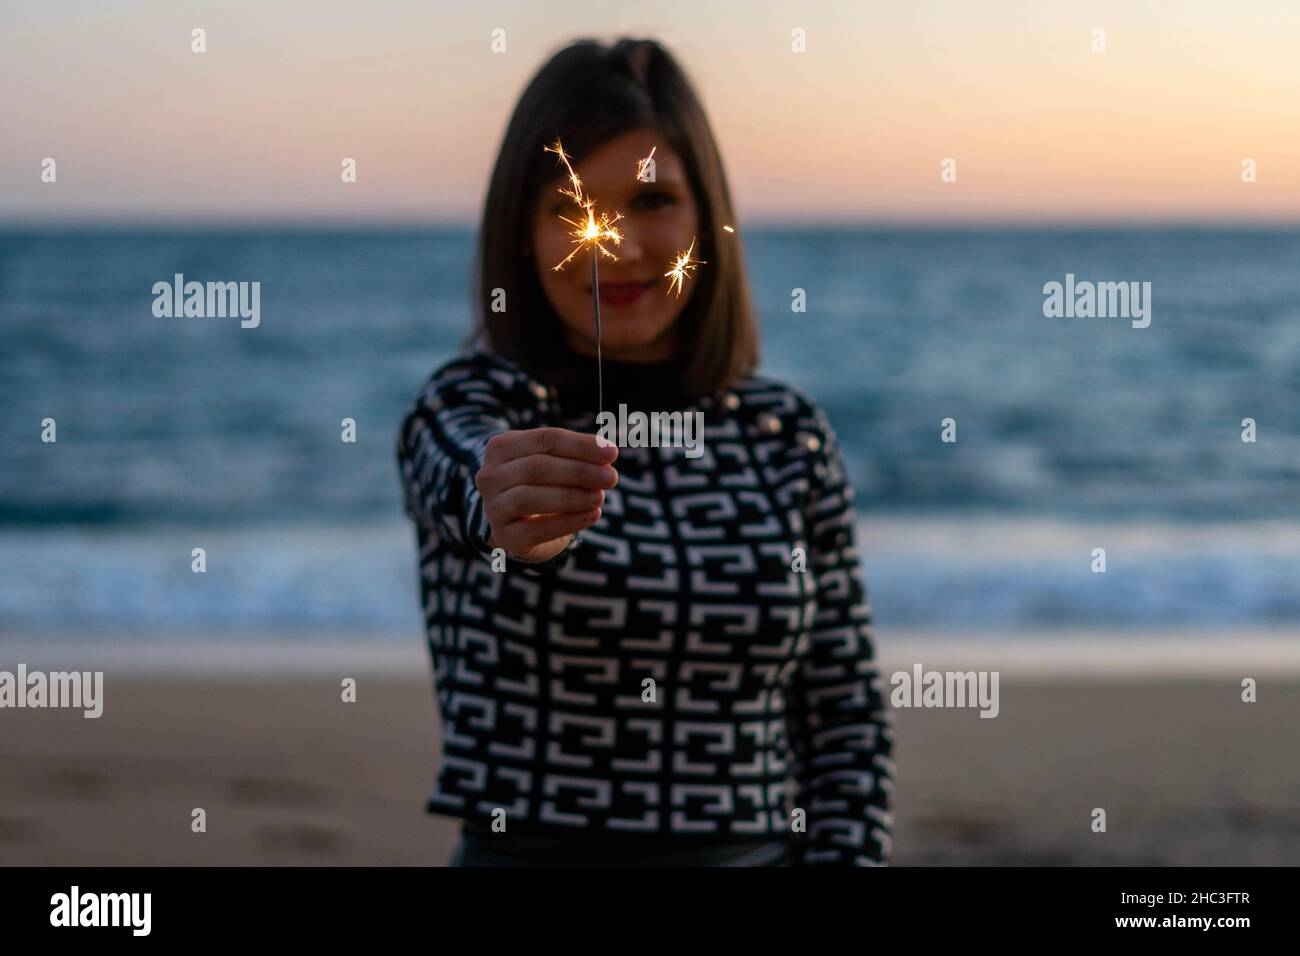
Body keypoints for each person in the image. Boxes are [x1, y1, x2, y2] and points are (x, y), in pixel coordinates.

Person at [396, 37, 893, 866]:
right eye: (571, 207)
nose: (617, 248)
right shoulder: (469, 409)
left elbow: (844, 715)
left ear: (709, 216)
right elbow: (468, 478)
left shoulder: (786, 433)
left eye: (654, 200)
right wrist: (517, 514)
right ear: (518, 231)